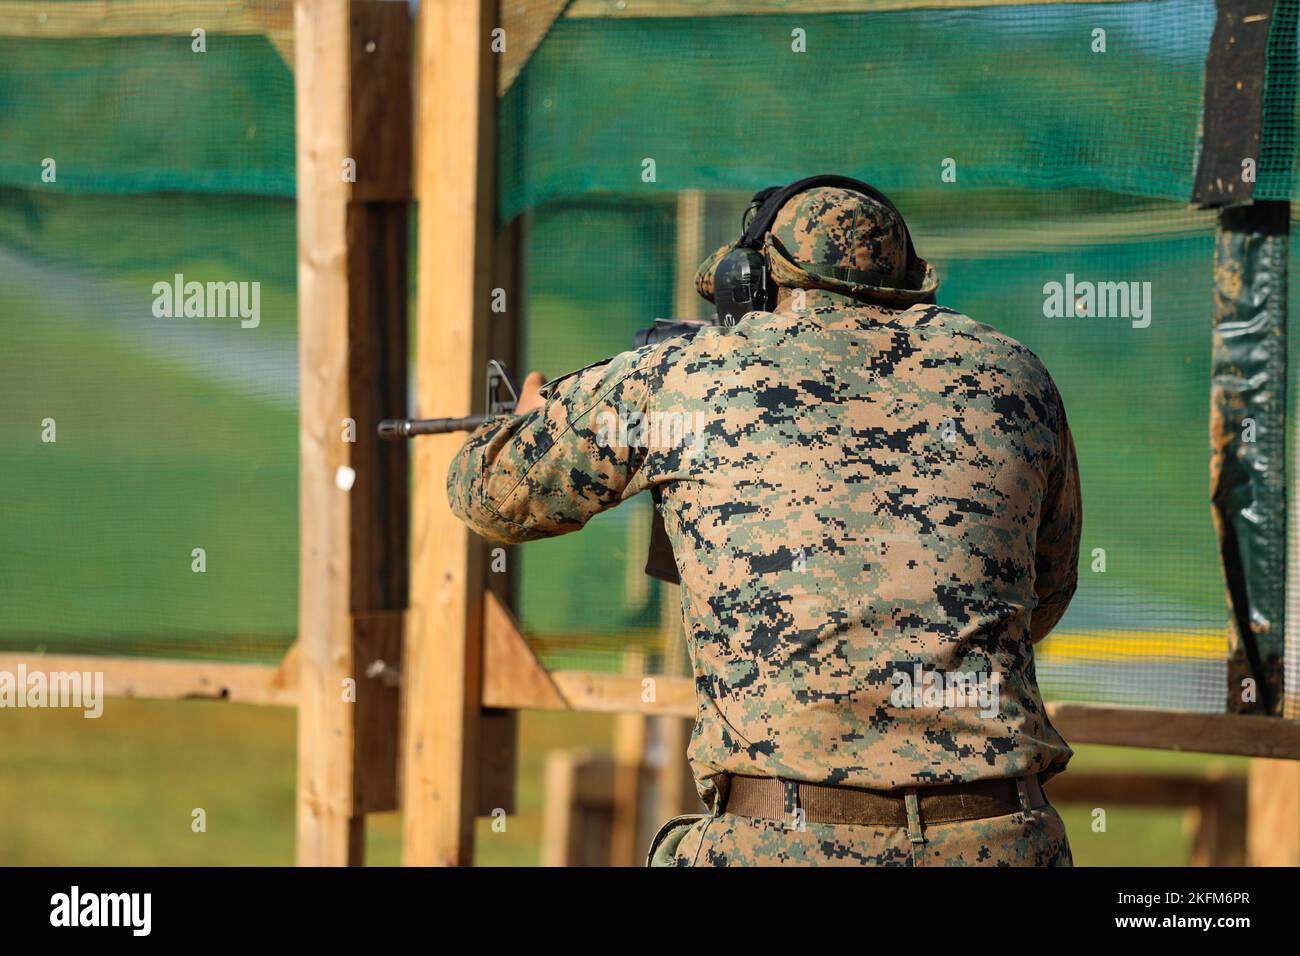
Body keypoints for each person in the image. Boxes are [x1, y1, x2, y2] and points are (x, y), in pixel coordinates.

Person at [447, 179, 1081, 866]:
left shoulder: (680, 377)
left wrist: (529, 425)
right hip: (1004, 837)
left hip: (781, 842)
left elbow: (487, 495)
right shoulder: (1016, 376)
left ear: (747, 283)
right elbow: (1045, 593)